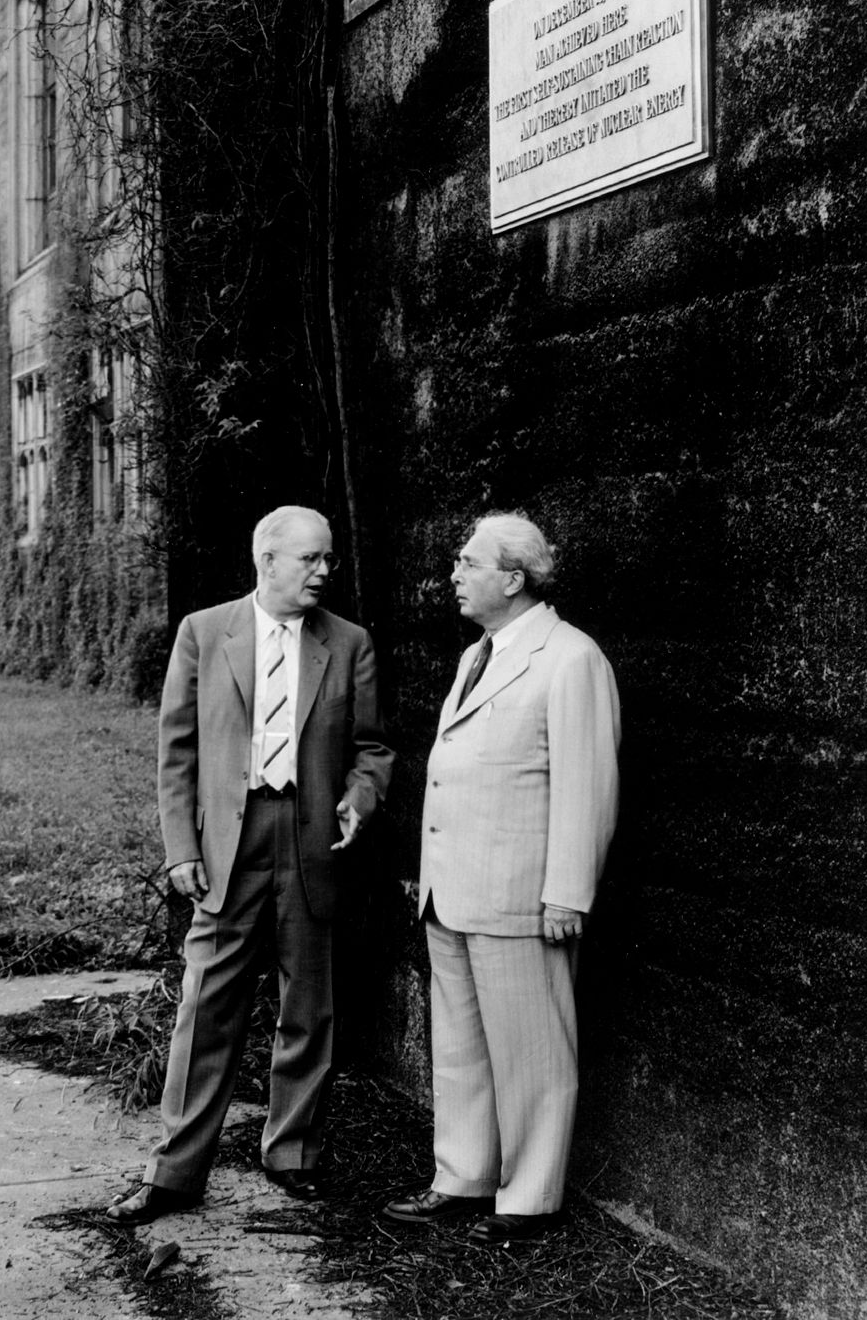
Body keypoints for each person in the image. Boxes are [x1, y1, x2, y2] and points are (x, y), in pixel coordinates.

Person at [108, 504, 394, 1225]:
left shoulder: (348, 642)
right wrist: (181, 847)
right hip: (228, 843)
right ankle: (175, 1171)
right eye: (309, 558)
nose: (324, 571)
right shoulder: (205, 632)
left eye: (328, 558)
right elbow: (176, 749)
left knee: (310, 1003)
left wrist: (359, 797)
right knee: (205, 1005)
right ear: (267, 561)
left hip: (311, 837)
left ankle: (292, 1152)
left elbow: (373, 748)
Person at [383, 511, 620, 1245]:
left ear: (513, 578)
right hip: (454, 889)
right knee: (460, 1048)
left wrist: (567, 893)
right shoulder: (475, 655)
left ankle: (530, 1199)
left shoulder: (571, 658)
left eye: (469, 562)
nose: (453, 573)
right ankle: (463, 1177)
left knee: (532, 1052)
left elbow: (588, 783)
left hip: (521, 895)